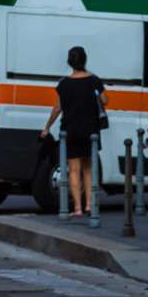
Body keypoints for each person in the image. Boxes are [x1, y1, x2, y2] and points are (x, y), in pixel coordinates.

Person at [41, 46, 107, 217]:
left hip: (70, 131)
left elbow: (57, 108)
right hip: (91, 131)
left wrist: (47, 127)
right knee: (88, 169)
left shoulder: (64, 84)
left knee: (74, 169)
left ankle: (77, 208)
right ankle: (89, 205)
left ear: (70, 62)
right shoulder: (94, 81)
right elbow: (105, 100)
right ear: (85, 60)